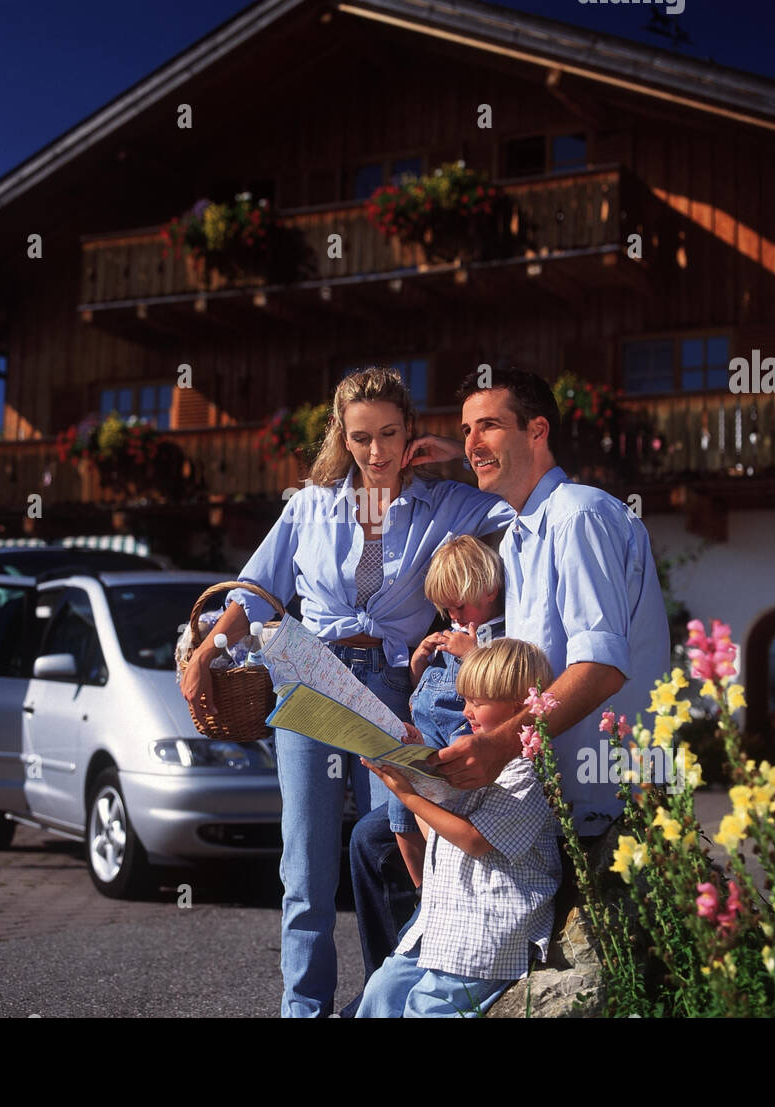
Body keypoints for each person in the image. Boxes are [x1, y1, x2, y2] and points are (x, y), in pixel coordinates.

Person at [179, 367, 514, 1018]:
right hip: (308, 672)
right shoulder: (309, 504)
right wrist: (205, 653)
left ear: (410, 431)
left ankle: (399, 1000)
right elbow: (252, 589)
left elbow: (519, 502)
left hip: (391, 685)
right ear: (343, 435)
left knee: (389, 841)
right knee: (305, 864)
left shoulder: (445, 503)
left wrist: (452, 452)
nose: (378, 451)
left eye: (391, 434)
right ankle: (304, 1009)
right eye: (362, 437)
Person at [403, 367, 672, 905]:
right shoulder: (518, 532)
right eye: (465, 431)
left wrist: (499, 746)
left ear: (538, 431)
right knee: (379, 840)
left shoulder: (579, 516)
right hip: (544, 796)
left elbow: (600, 669)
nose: (473, 442)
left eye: (489, 426)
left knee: (382, 849)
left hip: (601, 803)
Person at [356, 638, 561, 1017]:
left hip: (485, 931)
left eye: (477, 702)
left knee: (428, 1008)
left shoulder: (528, 768)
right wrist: (414, 765)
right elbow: (439, 832)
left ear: (518, 709)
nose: (466, 711)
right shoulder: (473, 756)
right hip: (445, 921)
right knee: (381, 993)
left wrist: (408, 794)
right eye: (464, 699)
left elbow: (474, 840)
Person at [344, 535, 505, 1011]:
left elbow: (493, 692)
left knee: (375, 835)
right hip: (430, 751)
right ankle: (405, 936)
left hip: (462, 763)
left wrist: (470, 652)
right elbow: (428, 699)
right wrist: (418, 665)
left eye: (459, 607)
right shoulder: (451, 636)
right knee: (375, 832)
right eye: (445, 612)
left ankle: (423, 905)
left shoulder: (493, 640)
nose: (453, 619)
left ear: (488, 591)